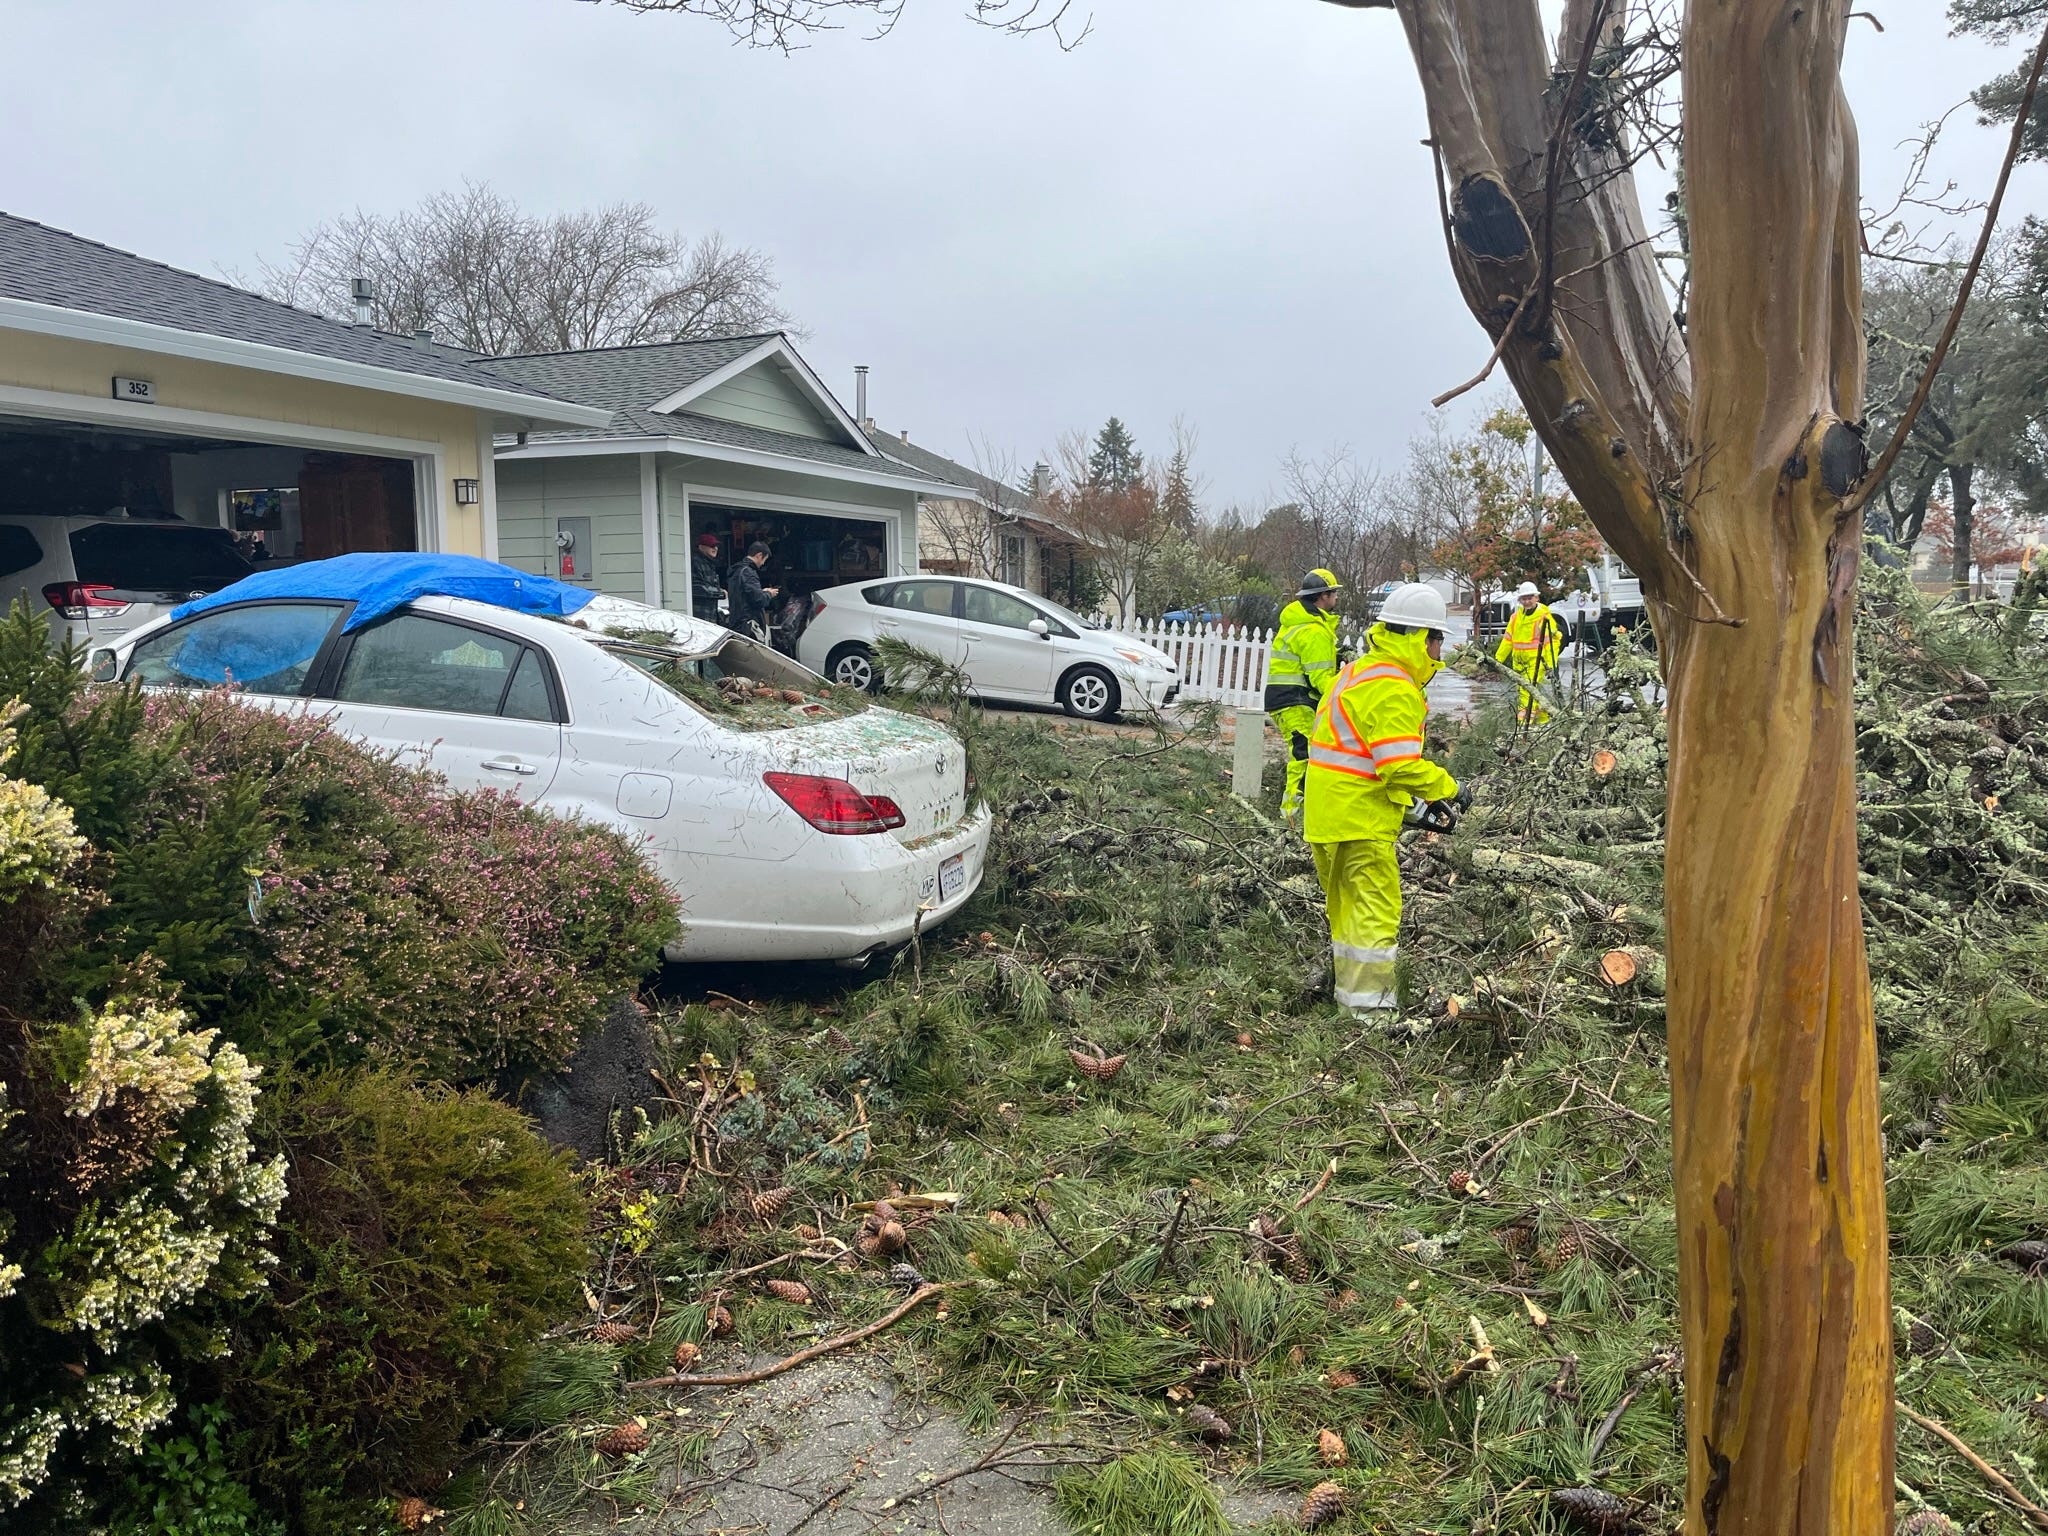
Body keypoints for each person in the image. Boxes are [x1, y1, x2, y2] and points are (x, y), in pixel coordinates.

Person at [1303, 582, 1465, 1015]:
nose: (1438, 652)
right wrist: (1448, 788)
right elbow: (1398, 764)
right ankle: (1371, 1016)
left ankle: (1348, 1004)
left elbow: (1358, 757)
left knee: (1347, 913)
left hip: (1327, 816)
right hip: (1360, 822)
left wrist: (1411, 809)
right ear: (1418, 638)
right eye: (1437, 641)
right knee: (1374, 913)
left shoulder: (1357, 672)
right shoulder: (1395, 687)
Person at [1264, 569, 1344, 829]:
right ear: (1323, 596)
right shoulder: (1313, 631)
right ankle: (1292, 819)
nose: (1336, 598)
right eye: (1334, 593)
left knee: (1306, 754)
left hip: (1289, 699)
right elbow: (1322, 679)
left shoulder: (1299, 624)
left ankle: (1301, 814)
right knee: (1305, 756)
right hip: (1295, 701)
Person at [1494, 580, 1563, 723]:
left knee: (1527, 694)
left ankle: (1523, 726)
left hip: (1535, 663)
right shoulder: (1515, 618)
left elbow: (1551, 643)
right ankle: (1543, 723)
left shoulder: (1543, 618)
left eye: (1529, 598)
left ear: (1536, 598)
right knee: (1534, 693)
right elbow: (1507, 640)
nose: (1526, 601)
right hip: (1519, 663)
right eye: (1523, 598)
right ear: (1519, 600)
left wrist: (1550, 665)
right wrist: (1497, 660)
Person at [727, 541, 780, 642]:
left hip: (736, 622)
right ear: (759, 555)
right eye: (765, 559)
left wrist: (762, 591)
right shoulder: (749, 573)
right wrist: (769, 594)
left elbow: (745, 594)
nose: (763, 563)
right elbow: (758, 600)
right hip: (748, 626)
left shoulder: (737, 571)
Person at [691, 533, 726, 624]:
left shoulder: (709, 563)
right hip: (700, 616)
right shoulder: (695, 562)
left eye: (716, 546)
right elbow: (697, 588)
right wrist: (720, 593)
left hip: (710, 615)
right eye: (712, 546)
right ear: (701, 547)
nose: (715, 548)